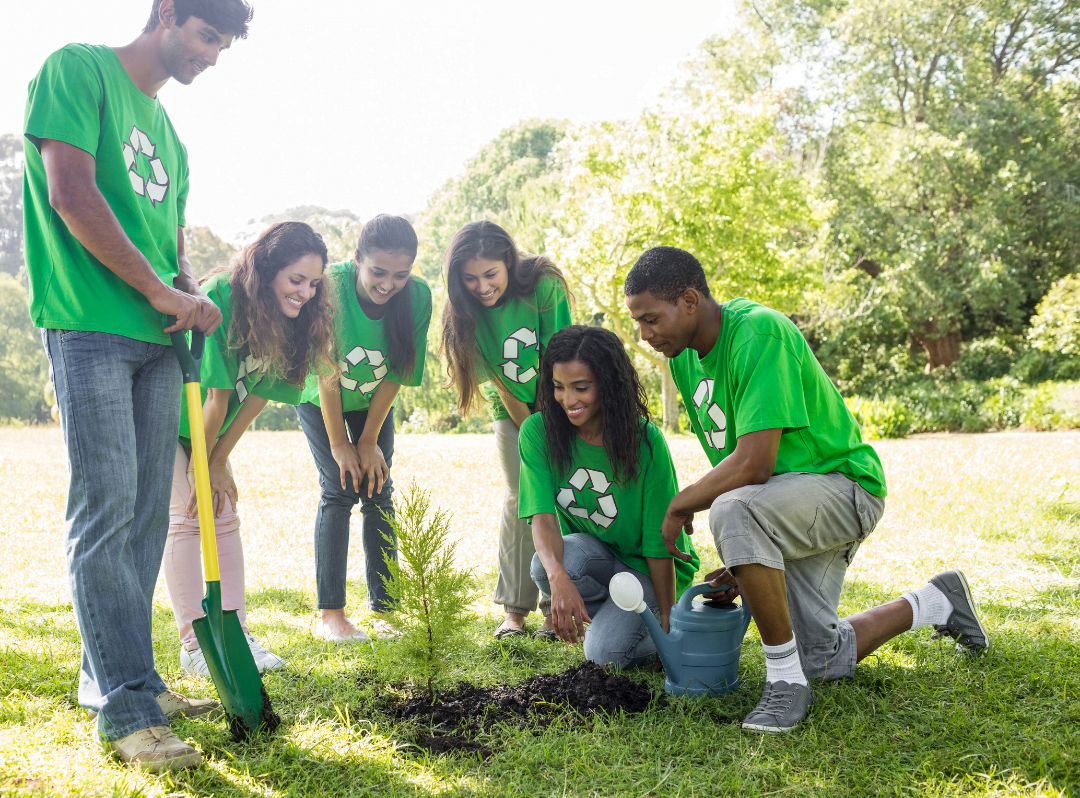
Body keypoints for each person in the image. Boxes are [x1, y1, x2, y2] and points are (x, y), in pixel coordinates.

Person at [623, 246, 989, 733]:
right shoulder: (685, 360)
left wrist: (678, 505)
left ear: (689, 300)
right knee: (820, 658)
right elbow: (742, 472)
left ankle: (784, 683)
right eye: (639, 323)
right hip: (788, 503)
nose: (645, 335)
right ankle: (937, 600)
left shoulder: (758, 332)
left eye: (651, 319)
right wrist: (749, 559)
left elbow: (754, 463)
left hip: (844, 486)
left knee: (731, 509)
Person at [22, 0, 253, 771]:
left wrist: (189, 292)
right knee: (108, 509)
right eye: (207, 36)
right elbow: (71, 194)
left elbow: (171, 243)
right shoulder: (77, 70)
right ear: (166, 13)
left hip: (161, 342)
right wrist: (157, 289)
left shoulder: (171, 136)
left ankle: (137, 681)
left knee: (147, 518)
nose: (212, 57)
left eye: (223, 47)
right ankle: (125, 710)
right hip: (89, 325)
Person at [164, 221, 336, 674]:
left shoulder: (295, 319)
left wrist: (218, 460)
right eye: (296, 279)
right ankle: (195, 646)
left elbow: (259, 394)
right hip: (168, 420)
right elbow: (216, 398)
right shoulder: (223, 295)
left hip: (208, 431)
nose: (305, 293)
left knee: (223, 511)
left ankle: (235, 634)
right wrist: (200, 466)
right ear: (267, 269)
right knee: (187, 516)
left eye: (314, 283)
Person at [520, 326, 699, 666]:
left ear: (607, 384)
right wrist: (559, 581)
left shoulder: (645, 441)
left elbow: (658, 543)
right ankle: (617, 617)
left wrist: (668, 620)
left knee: (605, 656)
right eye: (558, 387)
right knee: (545, 567)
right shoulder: (538, 432)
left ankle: (674, 622)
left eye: (581, 388)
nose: (568, 400)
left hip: (647, 568)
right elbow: (541, 516)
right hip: (598, 558)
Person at [295, 215, 432, 642]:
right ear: (357, 259)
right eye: (378, 272)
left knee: (378, 488)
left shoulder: (417, 297)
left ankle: (385, 610)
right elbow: (325, 370)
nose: (388, 284)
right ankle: (331, 616)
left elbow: (400, 371)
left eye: (400, 275)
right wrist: (340, 444)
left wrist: (369, 440)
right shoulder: (330, 286)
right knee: (339, 488)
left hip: (373, 400)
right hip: (321, 395)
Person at [439, 220, 572, 639]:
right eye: (470, 278)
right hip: (511, 407)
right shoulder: (464, 311)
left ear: (509, 262)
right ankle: (515, 610)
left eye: (490, 274)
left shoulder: (544, 284)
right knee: (522, 496)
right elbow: (499, 381)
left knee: (563, 493)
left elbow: (563, 355)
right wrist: (533, 430)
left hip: (565, 401)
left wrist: (554, 423)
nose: (482, 287)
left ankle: (557, 607)